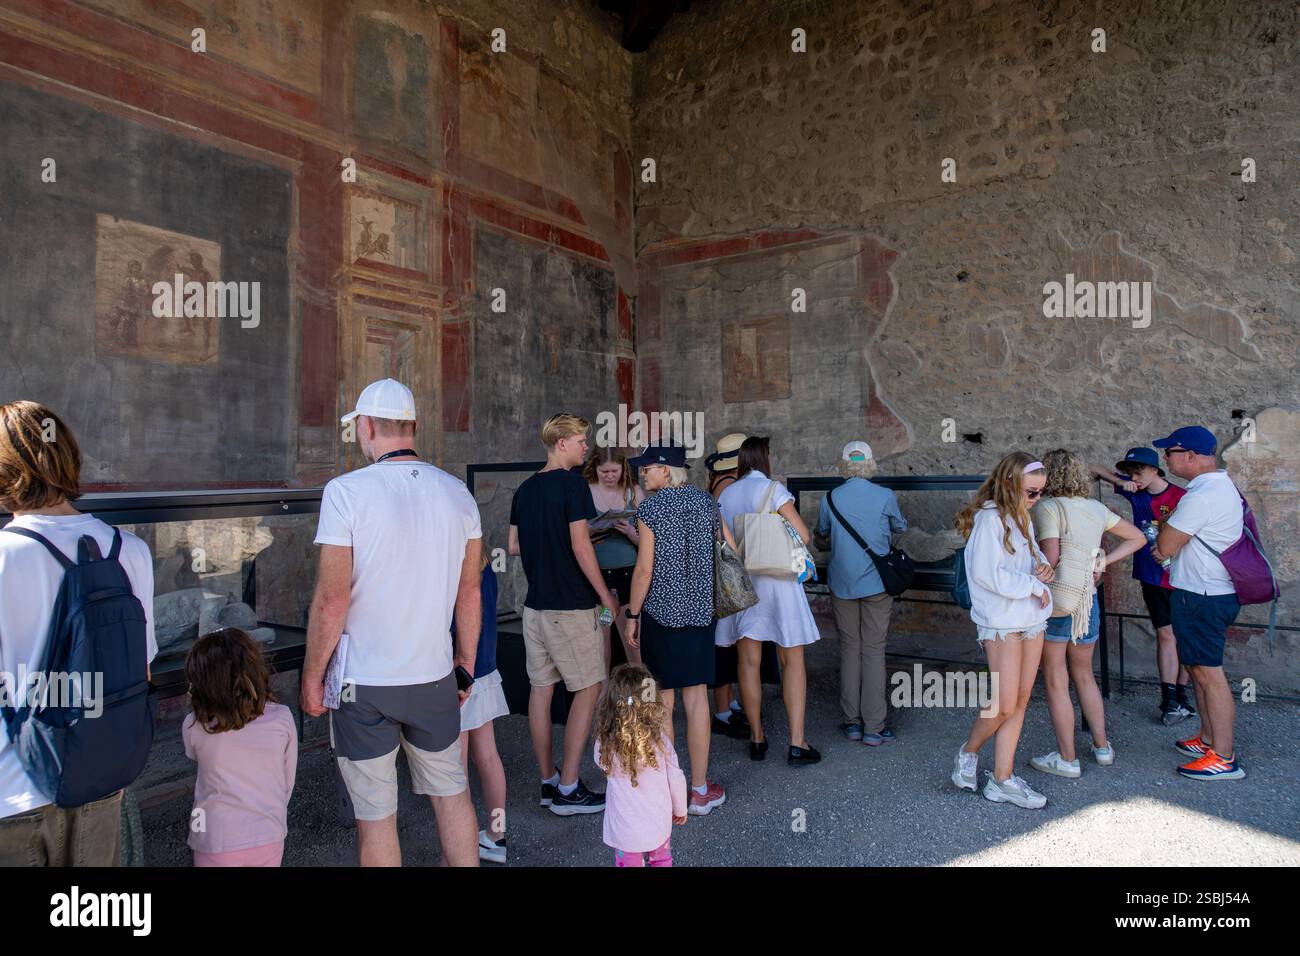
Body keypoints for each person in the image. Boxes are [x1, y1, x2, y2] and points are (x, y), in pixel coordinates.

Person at [302, 378, 482, 866]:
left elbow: (331, 600)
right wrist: (464, 663)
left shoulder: (345, 493)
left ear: (365, 427)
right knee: (453, 797)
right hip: (434, 676)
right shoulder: (458, 494)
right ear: (411, 427)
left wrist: (312, 676)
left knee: (376, 820)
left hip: (365, 686)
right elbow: (469, 593)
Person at [0, 401, 158, 867]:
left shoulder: (6, 557)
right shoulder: (130, 551)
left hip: (13, 792)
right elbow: (141, 671)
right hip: (99, 779)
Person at [508, 413, 617, 815]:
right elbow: (580, 545)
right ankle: (569, 788)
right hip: (570, 606)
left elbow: (515, 545)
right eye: (581, 440)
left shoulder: (525, 489)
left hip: (534, 608)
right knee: (588, 687)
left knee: (542, 690)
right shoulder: (572, 485)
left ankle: (548, 780)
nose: (586, 446)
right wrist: (605, 594)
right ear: (561, 443)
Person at [623, 443, 731, 815]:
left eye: (648, 468)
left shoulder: (650, 509)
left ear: (666, 471)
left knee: (663, 702)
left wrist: (632, 615)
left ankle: (671, 792)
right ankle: (700, 791)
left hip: (661, 617)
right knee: (697, 699)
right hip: (701, 615)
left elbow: (644, 571)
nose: (642, 474)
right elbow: (729, 550)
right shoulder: (706, 503)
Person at [1028, 450, 1145, 779]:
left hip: (1059, 603)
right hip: (1087, 601)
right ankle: (1102, 747)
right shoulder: (1096, 508)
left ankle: (1066, 758)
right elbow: (1136, 537)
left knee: (1055, 679)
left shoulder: (1049, 507)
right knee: (1084, 675)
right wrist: (1103, 562)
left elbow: (1050, 558)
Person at [951, 452, 1054, 809]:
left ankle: (1003, 778)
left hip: (1030, 618)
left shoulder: (1021, 517)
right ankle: (969, 751)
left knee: (1021, 700)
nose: (1036, 499)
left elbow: (1034, 557)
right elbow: (986, 574)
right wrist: (1031, 584)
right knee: (1005, 701)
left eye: (1040, 493)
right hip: (1000, 620)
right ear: (1010, 484)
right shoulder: (990, 520)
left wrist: (1043, 570)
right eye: (1031, 492)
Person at [718, 436, 822, 765]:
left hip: (743, 584)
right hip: (778, 583)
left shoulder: (727, 493)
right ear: (765, 458)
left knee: (747, 662)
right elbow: (803, 535)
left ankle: (757, 736)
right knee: (792, 660)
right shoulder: (773, 490)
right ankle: (797, 742)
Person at [1150, 426, 1246, 781]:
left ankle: (1223, 755)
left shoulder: (1201, 496)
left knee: (1209, 675)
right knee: (1197, 670)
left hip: (1204, 595)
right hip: (1205, 592)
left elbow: (1168, 544)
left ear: (1190, 456)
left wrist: (1164, 537)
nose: (1166, 459)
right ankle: (1207, 739)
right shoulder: (1216, 487)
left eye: (1170, 453)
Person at [1091, 447, 1194, 724]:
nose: (1134, 476)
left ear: (1155, 469)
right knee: (1166, 635)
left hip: (1183, 576)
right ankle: (1169, 699)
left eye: (1139, 471)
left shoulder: (1182, 497)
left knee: (1185, 637)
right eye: (1130, 472)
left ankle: (1181, 694)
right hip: (1152, 576)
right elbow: (1094, 467)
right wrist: (1120, 480)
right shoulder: (1134, 490)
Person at [814, 440, 906, 746]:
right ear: (869, 463)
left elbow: (822, 533)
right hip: (877, 583)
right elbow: (900, 527)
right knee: (874, 650)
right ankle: (874, 727)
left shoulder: (830, 498)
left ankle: (851, 722)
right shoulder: (885, 495)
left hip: (842, 583)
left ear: (843, 464)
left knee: (850, 649)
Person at [183, 628, 297, 867]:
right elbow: (287, 782)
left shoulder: (194, 725)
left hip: (213, 836)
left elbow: (194, 754)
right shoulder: (282, 719)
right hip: (268, 832)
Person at [593, 664, 688, 867]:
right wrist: (680, 808)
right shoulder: (660, 742)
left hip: (624, 827)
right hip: (658, 821)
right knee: (661, 859)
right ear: (651, 704)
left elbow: (600, 763)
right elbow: (676, 778)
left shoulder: (605, 744)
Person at [451, 549, 511, 863]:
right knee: (488, 756)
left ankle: (461, 841)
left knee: (456, 768)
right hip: (485, 669)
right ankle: (496, 834)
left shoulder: (452, 566)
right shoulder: (486, 564)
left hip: (459, 674)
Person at [705, 433, 751, 740]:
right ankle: (722, 710)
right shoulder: (731, 487)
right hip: (727, 574)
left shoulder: (717, 484)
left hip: (719, 572)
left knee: (727, 641)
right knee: (725, 642)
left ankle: (729, 702)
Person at [585, 447, 644, 665]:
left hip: (628, 574)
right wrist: (591, 530)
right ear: (595, 469)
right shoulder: (585, 491)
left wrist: (630, 532)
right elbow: (574, 535)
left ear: (623, 468)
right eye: (604, 472)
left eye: (614, 471)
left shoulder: (633, 492)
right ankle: (602, 698)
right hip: (598, 576)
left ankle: (640, 695)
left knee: (633, 641)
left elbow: (648, 543)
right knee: (602, 645)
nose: (610, 476)